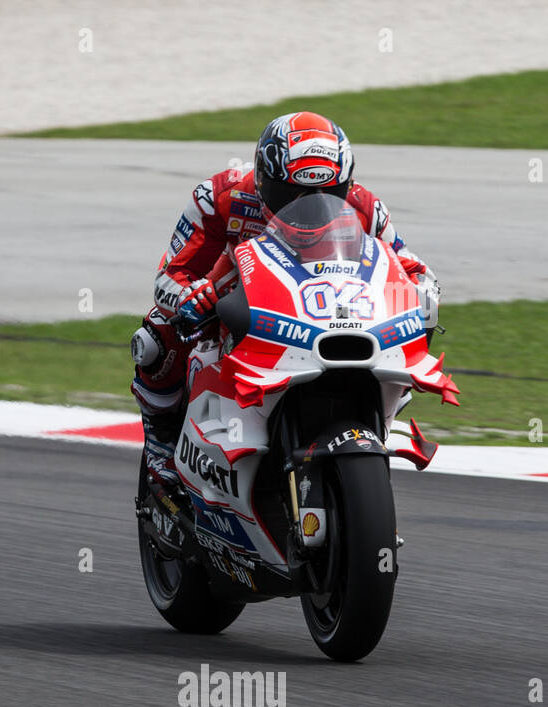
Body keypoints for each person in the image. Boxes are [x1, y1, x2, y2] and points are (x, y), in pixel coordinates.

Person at [131, 111, 440, 490]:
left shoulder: (365, 208)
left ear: (345, 182)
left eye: (328, 193)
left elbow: (407, 264)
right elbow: (170, 275)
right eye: (292, 194)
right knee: (155, 339)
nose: (311, 205)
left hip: (323, 313)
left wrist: (424, 292)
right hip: (238, 311)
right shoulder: (220, 197)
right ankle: (161, 448)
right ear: (263, 179)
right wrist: (189, 298)